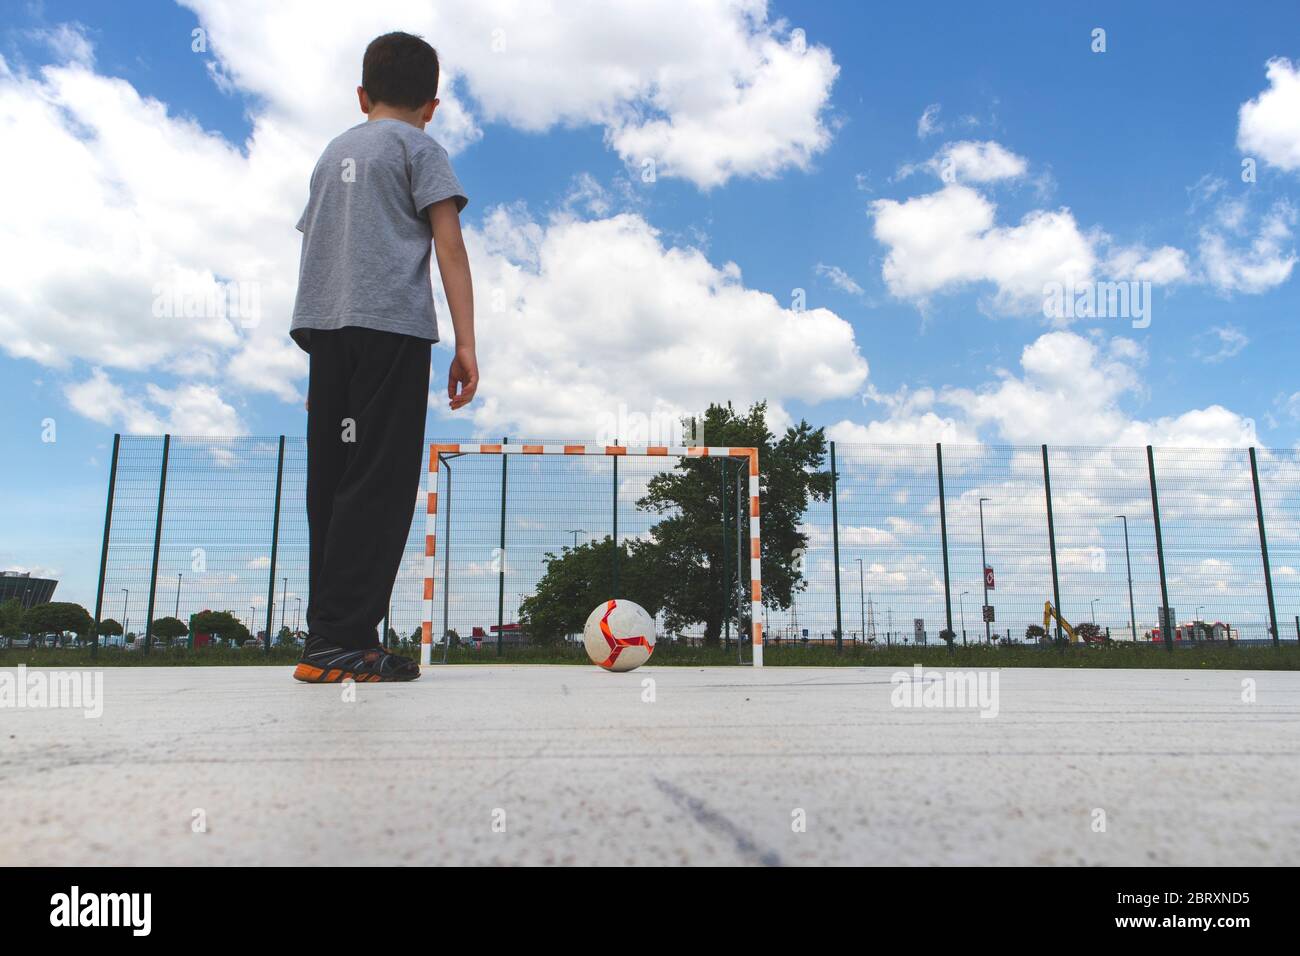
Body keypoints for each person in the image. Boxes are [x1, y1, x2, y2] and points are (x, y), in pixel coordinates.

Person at [289, 31, 476, 683]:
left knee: (333, 482)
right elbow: (449, 248)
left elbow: (317, 248)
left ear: (362, 95)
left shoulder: (331, 154)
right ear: (433, 103)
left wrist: (317, 349)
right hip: (391, 330)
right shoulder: (420, 148)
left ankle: (334, 639)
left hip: (330, 334)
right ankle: (342, 638)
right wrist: (467, 343)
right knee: (380, 481)